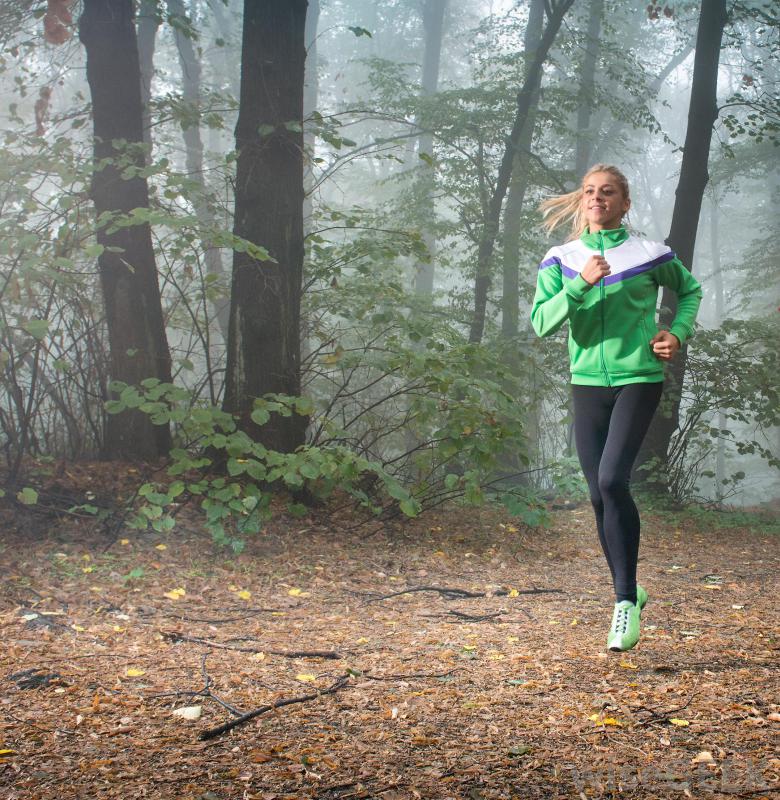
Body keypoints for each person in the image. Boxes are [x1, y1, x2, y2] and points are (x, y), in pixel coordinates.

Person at [530, 164, 702, 652]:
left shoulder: (650, 254)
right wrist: (580, 283)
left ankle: (624, 602)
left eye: (607, 192)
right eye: (589, 192)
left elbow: (689, 291)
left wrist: (675, 333)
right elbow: (542, 323)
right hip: (586, 382)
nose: (596, 198)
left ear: (625, 203)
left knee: (612, 481)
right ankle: (631, 588)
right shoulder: (562, 258)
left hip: (638, 377)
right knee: (596, 495)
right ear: (582, 201)